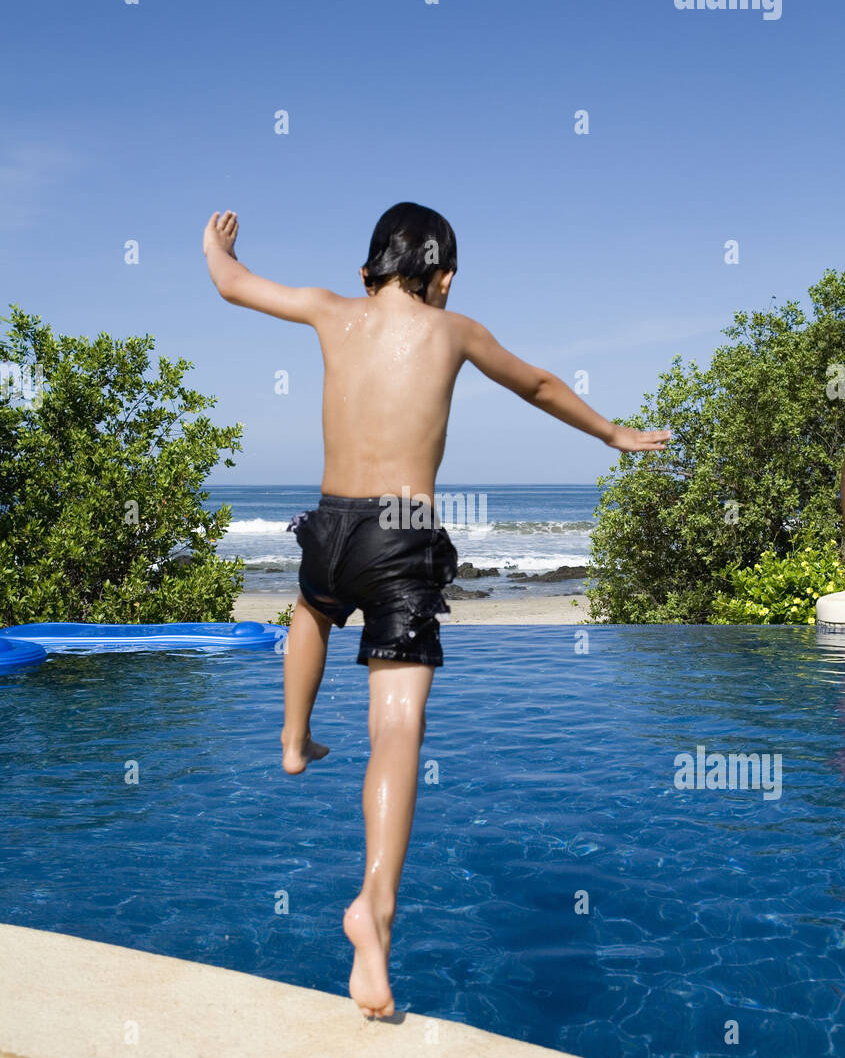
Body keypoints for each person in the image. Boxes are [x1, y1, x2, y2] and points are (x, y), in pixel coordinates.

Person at [203, 201, 670, 1017]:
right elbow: (538, 384)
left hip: (330, 524)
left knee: (311, 605)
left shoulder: (326, 307)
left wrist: (217, 248)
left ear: (366, 271)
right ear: (443, 276)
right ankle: (374, 913)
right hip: (402, 534)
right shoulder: (455, 331)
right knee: (397, 730)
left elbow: (234, 287)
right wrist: (610, 433)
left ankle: (290, 736)